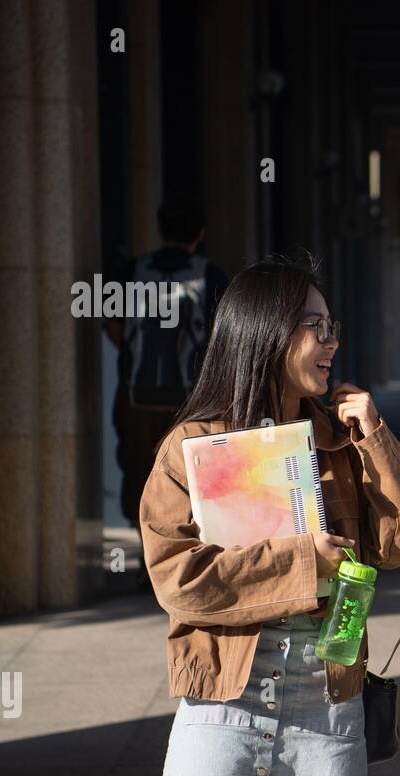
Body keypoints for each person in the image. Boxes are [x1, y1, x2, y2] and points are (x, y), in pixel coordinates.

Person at [139, 254, 400, 776]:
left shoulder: (340, 440)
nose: (331, 342)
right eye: (314, 327)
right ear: (267, 332)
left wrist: (373, 433)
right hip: (226, 688)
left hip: (325, 690)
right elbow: (178, 579)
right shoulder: (193, 446)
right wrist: (303, 562)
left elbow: (398, 545)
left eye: (332, 327)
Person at [108, 196, 231, 528]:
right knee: (190, 476)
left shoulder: (133, 271)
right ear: (200, 233)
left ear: (159, 229)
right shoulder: (211, 275)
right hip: (192, 402)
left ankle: (143, 558)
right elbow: (224, 338)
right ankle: (182, 553)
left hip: (137, 396)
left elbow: (113, 325)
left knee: (139, 473)